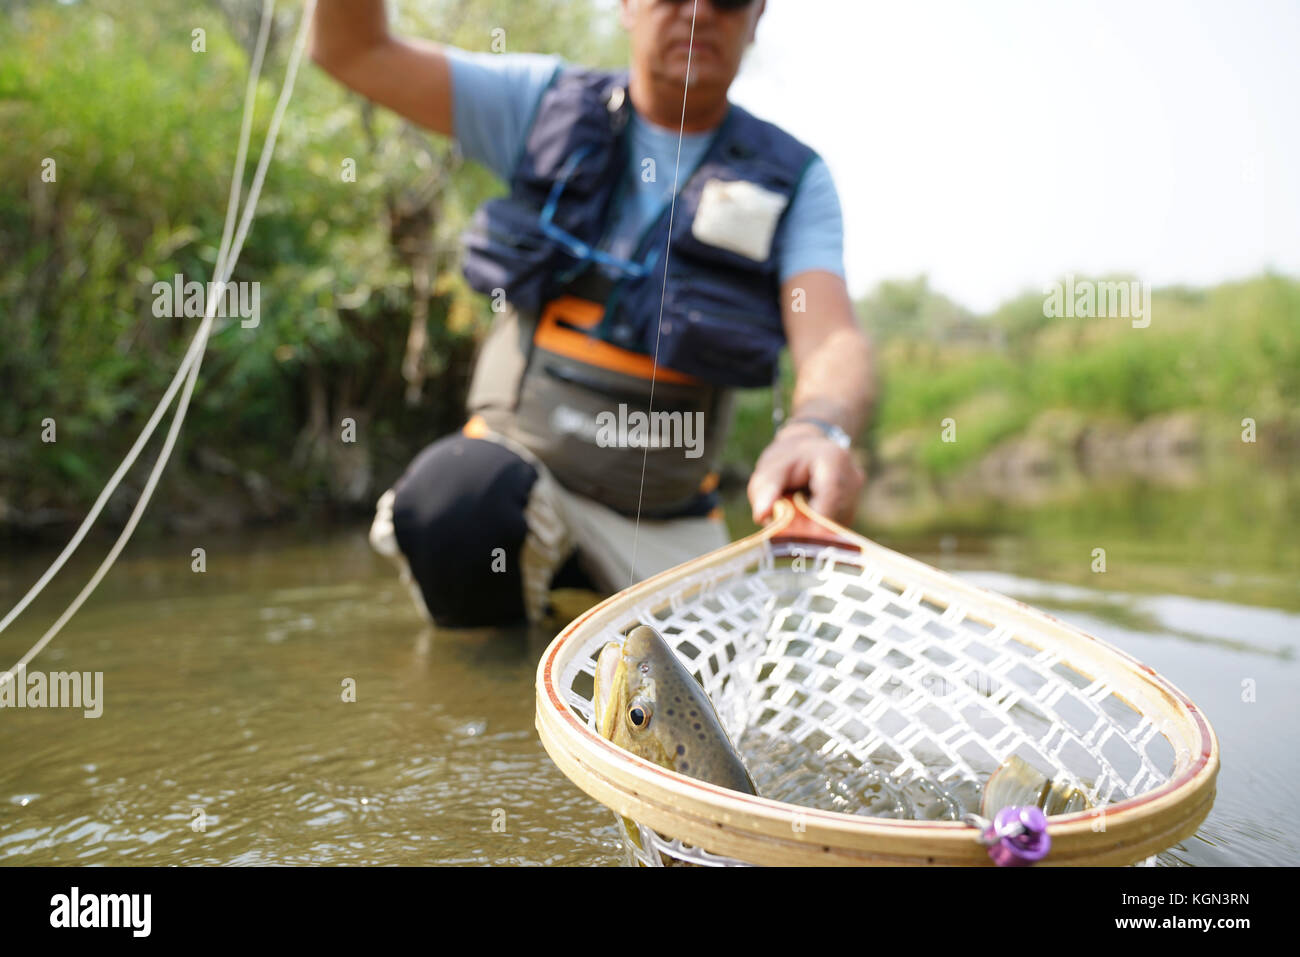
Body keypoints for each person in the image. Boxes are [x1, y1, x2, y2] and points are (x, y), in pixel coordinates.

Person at [312, 0, 875, 627]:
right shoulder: (537, 104)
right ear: (628, 5)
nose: (698, 14)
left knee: (702, 700)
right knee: (457, 502)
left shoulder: (795, 180)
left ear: (758, 14)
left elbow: (831, 340)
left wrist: (818, 429)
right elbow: (352, 52)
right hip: (514, 478)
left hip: (663, 517)